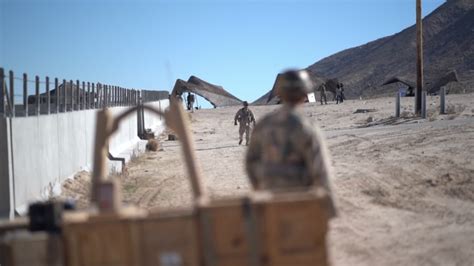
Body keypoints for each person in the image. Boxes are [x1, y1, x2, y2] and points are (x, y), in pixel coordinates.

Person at [246, 69, 336, 218]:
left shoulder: (264, 124)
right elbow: (320, 170)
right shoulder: (307, 127)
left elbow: (250, 162)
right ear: (304, 94)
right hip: (300, 201)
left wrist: (259, 188)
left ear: (279, 93)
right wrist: (329, 209)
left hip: (270, 201)